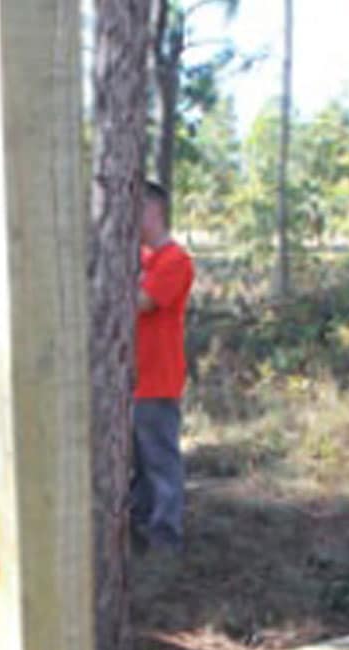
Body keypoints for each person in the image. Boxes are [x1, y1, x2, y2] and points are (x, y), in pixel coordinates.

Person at [132, 180, 195, 552]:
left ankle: (165, 534)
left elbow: (143, 301)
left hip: (158, 379)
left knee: (160, 461)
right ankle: (140, 525)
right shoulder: (141, 259)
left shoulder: (175, 260)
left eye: (136, 209)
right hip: (133, 379)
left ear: (154, 210)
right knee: (139, 463)